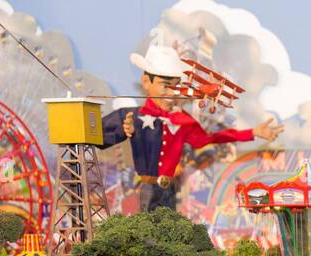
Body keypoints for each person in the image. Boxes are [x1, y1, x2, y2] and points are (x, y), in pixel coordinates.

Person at [102, 40, 283, 212]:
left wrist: (252, 132)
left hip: (170, 191)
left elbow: (210, 138)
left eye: (175, 87)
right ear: (146, 82)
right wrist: (125, 130)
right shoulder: (134, 116)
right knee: (148, 233)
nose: (171, 92)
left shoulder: (182, 119)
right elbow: (101, 134)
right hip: (148, 189)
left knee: (170, 234)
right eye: (164, 86)